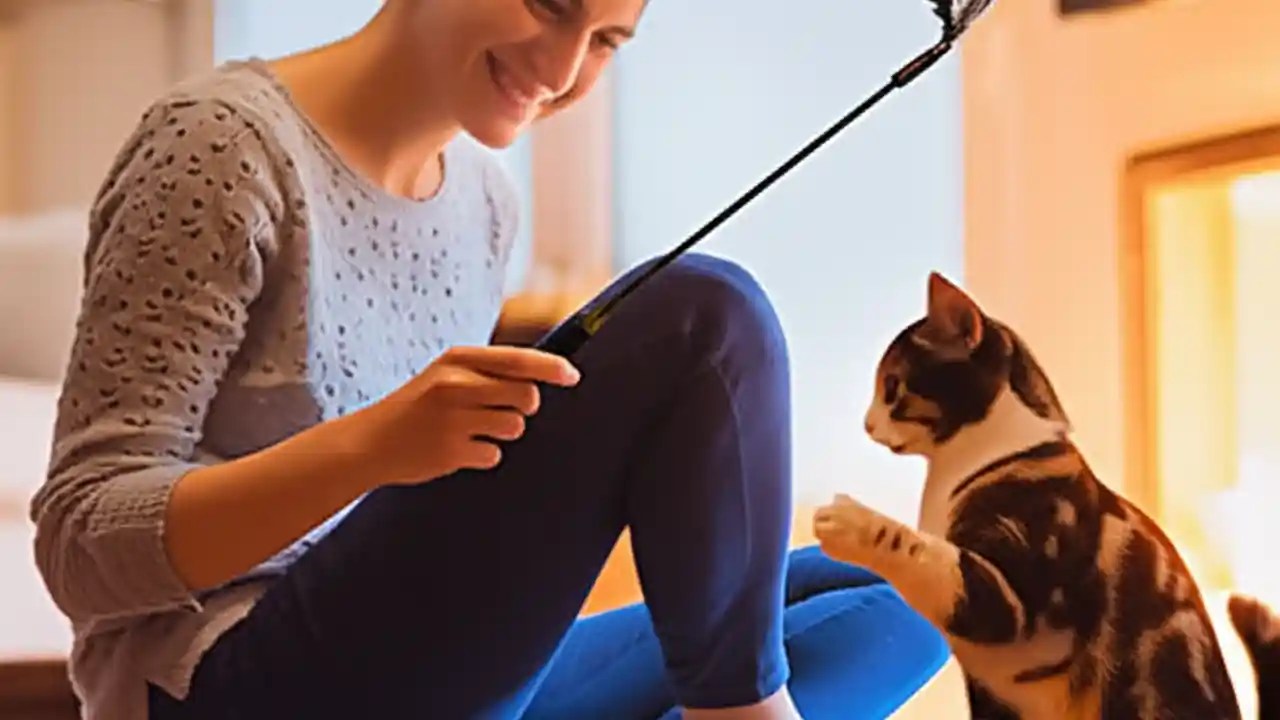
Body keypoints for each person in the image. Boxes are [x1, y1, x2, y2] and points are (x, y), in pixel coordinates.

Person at [28, 1, 949, 718]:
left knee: (930, 595)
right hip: (222, 683)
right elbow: (76, 545)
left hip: (407, 667)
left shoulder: (483, 204)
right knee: (704, 317)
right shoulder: (220, 148)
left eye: (605, 42)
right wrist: (370, 449)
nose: (563, 70)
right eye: (550, 5)